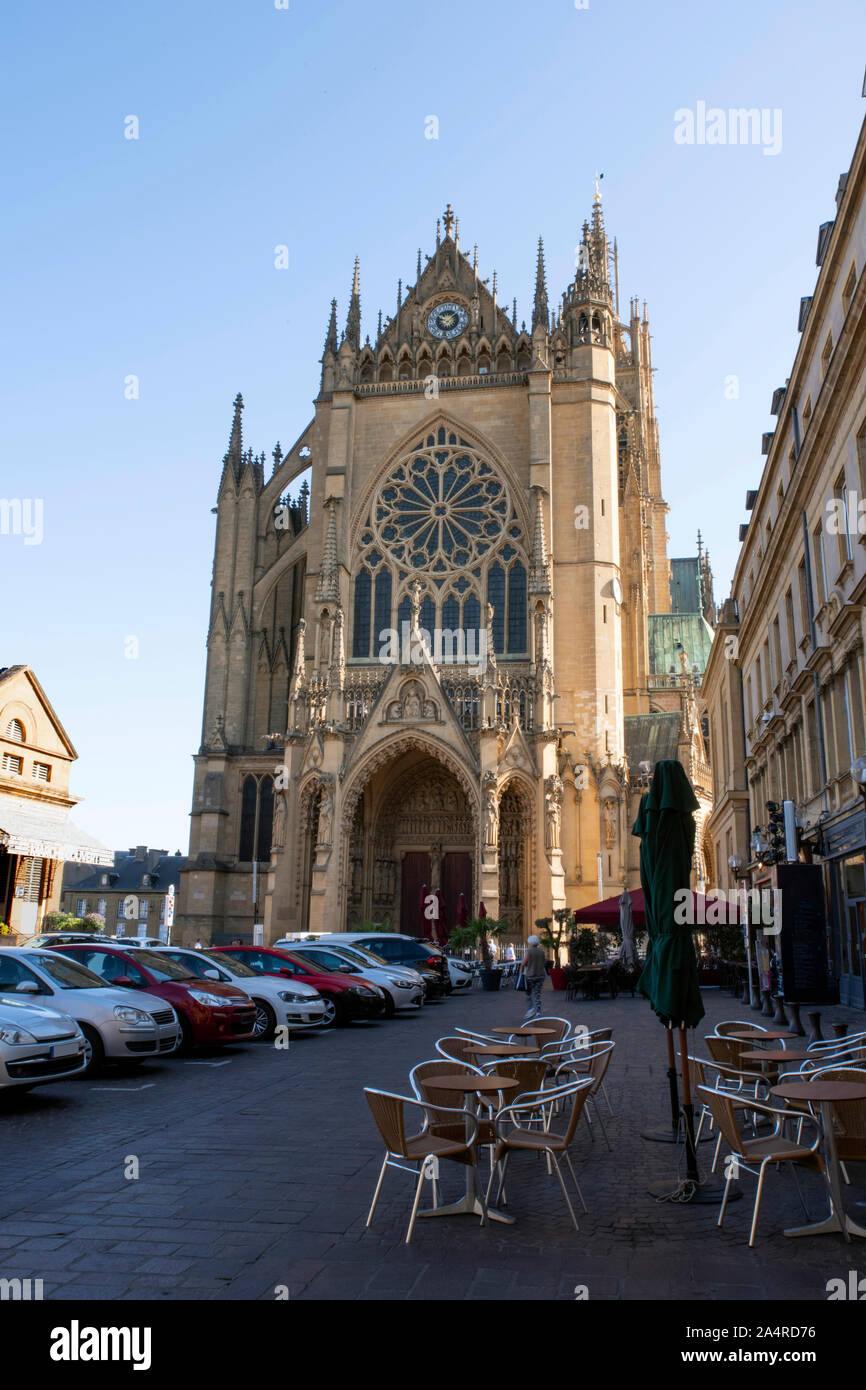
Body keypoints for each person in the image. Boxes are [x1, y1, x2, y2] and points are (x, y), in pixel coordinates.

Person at [521, 933, 548, 1021]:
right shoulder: (541, 951)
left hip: (530, 975)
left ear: (530, 942)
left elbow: (524, 963)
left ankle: (531, 1009)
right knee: (537, 993)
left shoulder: (528, 951)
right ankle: (538, 1012)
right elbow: (544, 962)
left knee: (528, 993)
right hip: (540, 975)